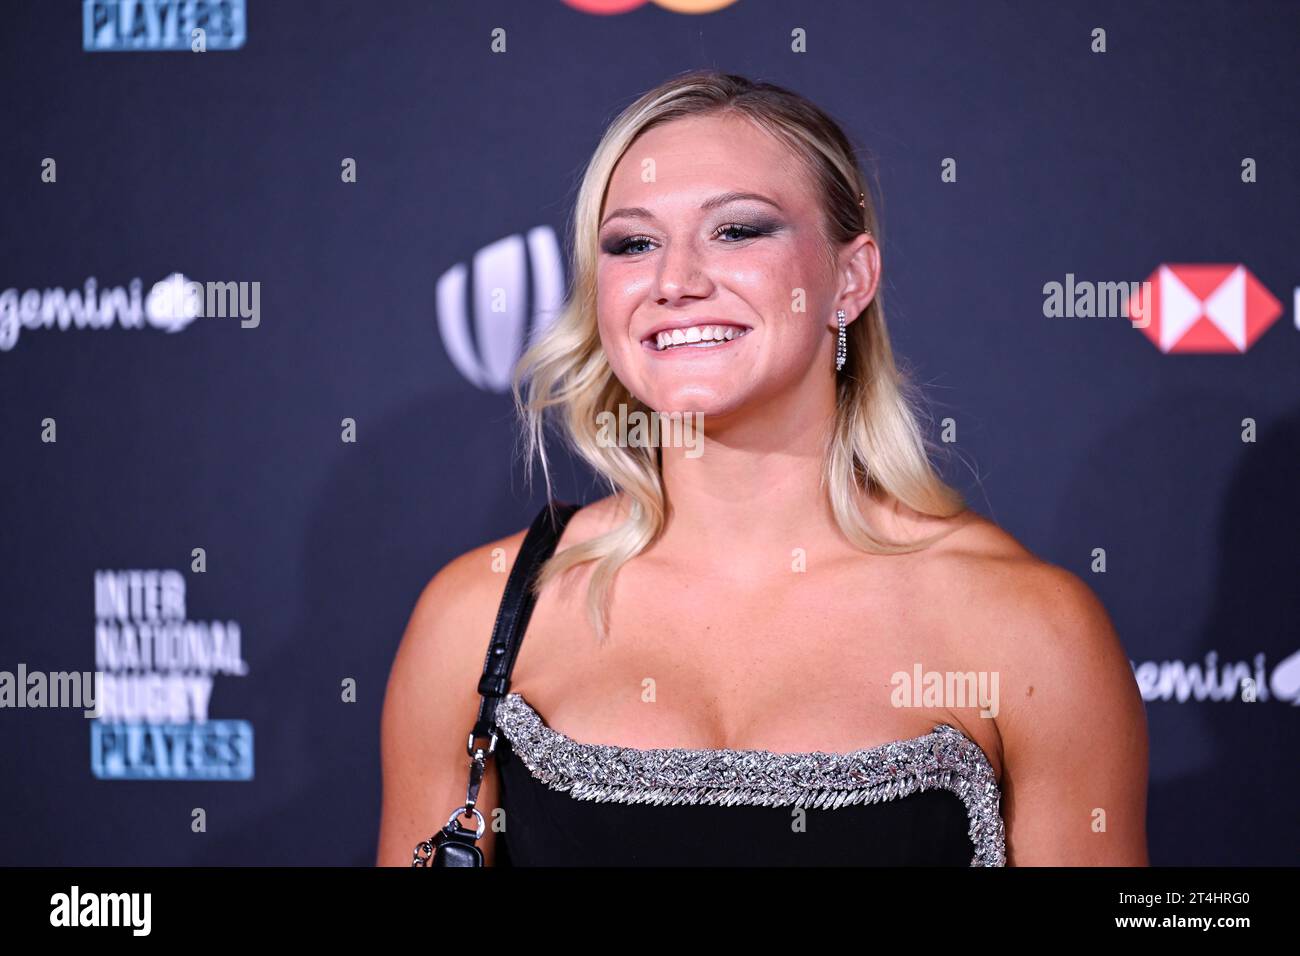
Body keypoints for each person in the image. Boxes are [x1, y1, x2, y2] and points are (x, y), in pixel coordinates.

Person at [376, 69, 1149, 866]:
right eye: (633, 243)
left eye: (738, 230)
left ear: (850, 280)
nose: (675, 281)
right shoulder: (479, 617)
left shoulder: (1027, 630)